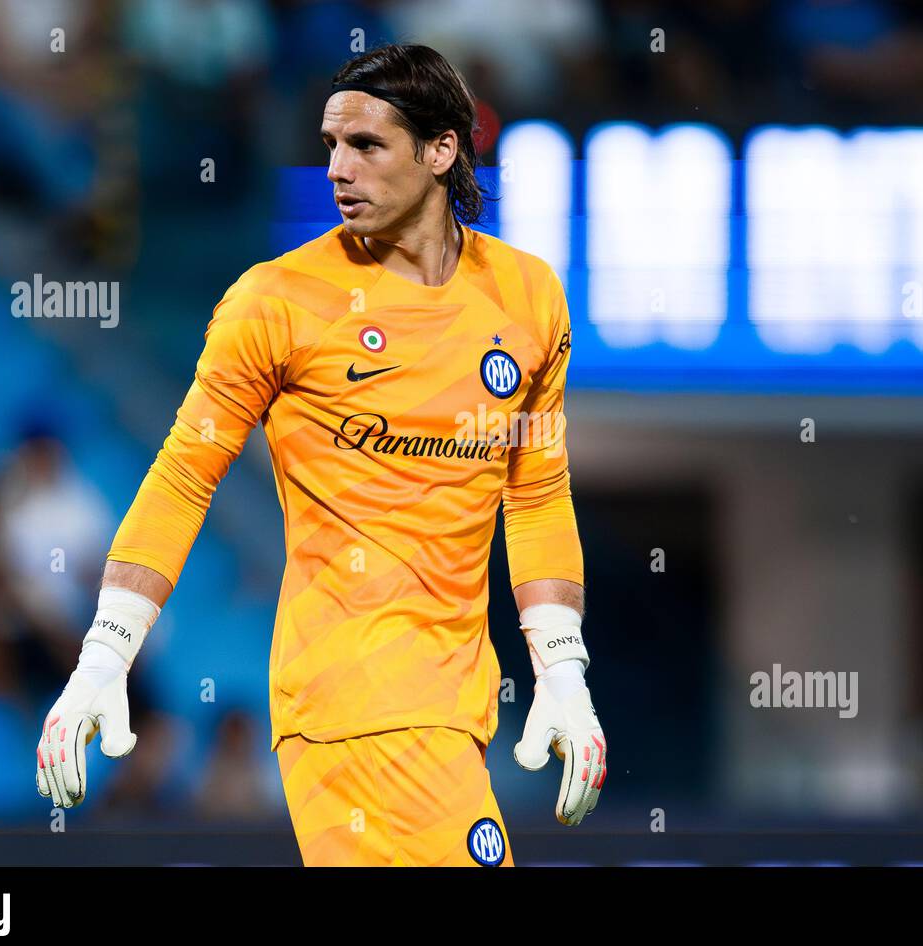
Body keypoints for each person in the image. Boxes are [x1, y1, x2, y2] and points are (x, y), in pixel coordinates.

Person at [35, 43, 607, 866]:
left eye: (367, 145)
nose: (338, 167)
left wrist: (561, 666)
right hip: (354, 696)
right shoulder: (278, 303)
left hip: (457, 705)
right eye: (331, 144)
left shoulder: (527, 296)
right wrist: (106, 651)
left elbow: (539, 492)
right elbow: (183, 474)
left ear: (442, 149)